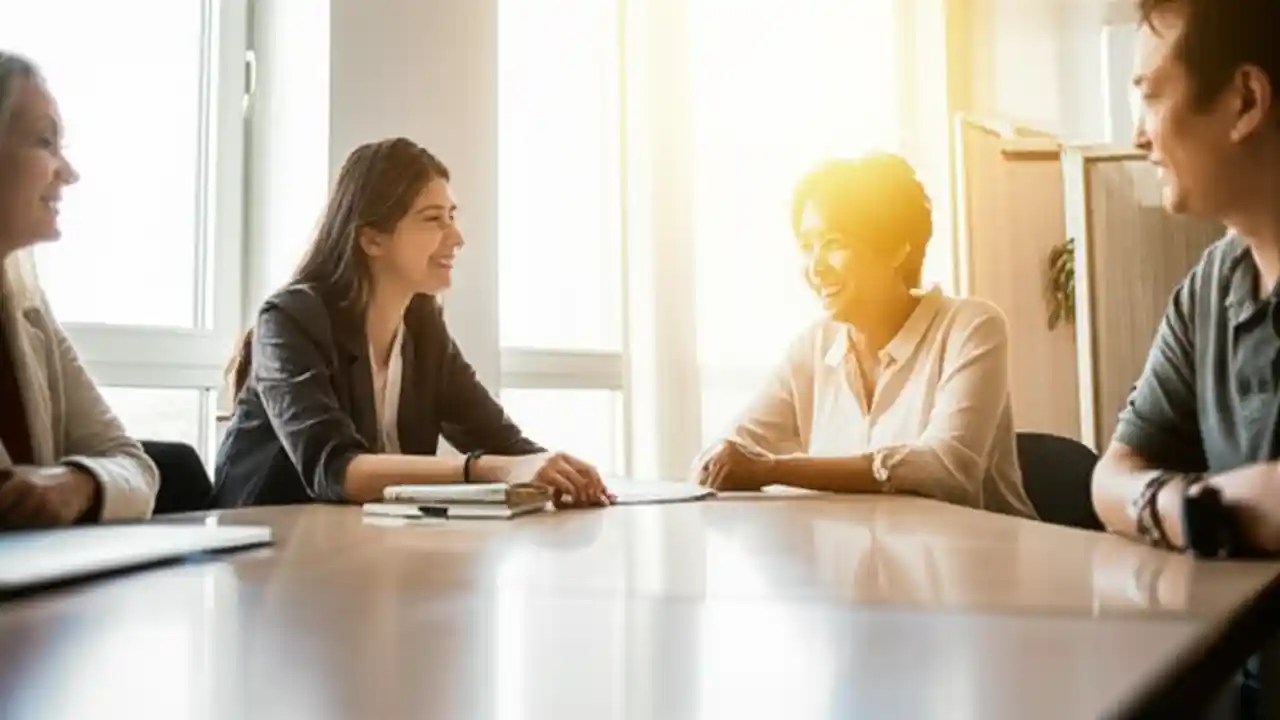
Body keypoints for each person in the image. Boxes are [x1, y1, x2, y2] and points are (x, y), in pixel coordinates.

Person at [214, 137, 611, 508]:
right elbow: (335, 469)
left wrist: (554, 472)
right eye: (433, 219)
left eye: (452, 216)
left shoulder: (423, 327)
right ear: (372, 240)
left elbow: (501, 443)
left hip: (366, 545)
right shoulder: (290, 320)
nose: (456, 237)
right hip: (263, 547)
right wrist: (489, 470)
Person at [694, 153, 1036, 517]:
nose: (816, 268)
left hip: (980, 561)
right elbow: (720, 456)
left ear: (897, 248)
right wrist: (724, 462)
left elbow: (946, 469)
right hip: (862, 562)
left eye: (834, 243)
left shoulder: (971, 326)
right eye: (808, 247)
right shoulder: (813, 347)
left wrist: (772, 469)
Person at [1092, 0, 1280, 554]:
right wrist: (1184, 508)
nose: (1139, 136)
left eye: (1150, 95)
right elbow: (1111, 477)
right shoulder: (1211, 286)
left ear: (1245, 100)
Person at [0, 52, 158, 528]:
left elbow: (134, 465)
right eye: (45, 142)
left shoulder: (26, 309)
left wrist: (78, 483)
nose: (67, 172)